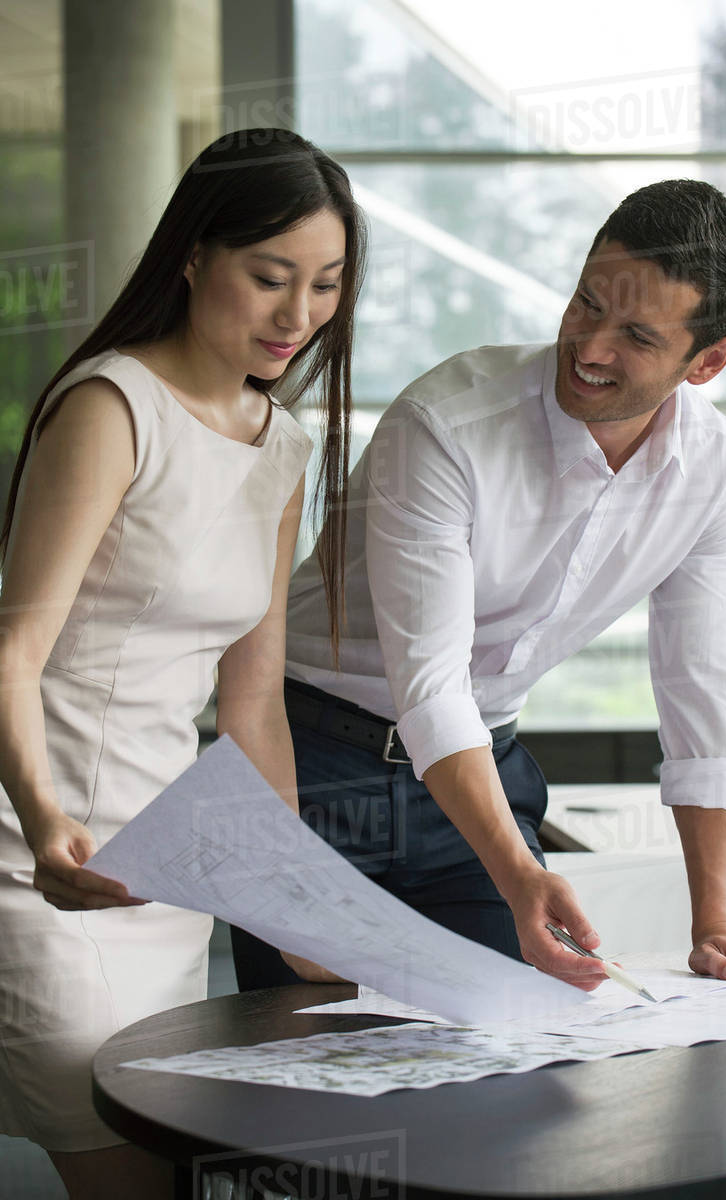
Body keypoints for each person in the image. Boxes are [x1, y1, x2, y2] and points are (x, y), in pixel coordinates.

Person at [232, 178, 726, 998]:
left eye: (636, 334)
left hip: (480, 776)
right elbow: (430, 685)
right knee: (300, 1071)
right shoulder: (446, 422)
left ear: (709, 360)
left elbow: (703, 697)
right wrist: (514, 870)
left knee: (519, 1064)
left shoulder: (712, 469)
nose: (591, 347)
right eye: (585, 304)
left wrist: (716, 923)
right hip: (314, 768)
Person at [0, 127, 366, 1199]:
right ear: (195, 257)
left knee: (177, 1173)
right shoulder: (112, 407)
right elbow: (13, 650)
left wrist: (292, 892)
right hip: (40, 864)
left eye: (327, 285)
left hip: (160, 875)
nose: (297, 316)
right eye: (270, 278)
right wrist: (37, 815)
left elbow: (251, 706)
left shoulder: (282, 444)